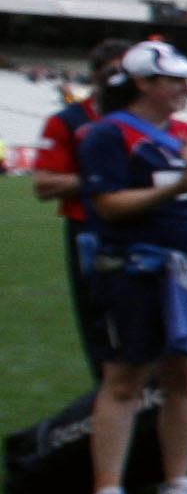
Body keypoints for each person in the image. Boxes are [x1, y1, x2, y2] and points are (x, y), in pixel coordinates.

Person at [75, 40, 187, 494]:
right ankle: (107, 493)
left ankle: (176, 483)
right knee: (125, 379)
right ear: (143, 83)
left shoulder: (184, 134)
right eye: (174, 81)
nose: (185, 90)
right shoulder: (108, 134)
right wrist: (183, 183)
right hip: (135, 269)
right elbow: (107, 206)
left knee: (185, 376)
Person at [31, 34, 132, 377]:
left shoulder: (148, 121)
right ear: (95, 76)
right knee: (101, 324)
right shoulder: (67, 121)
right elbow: (44, 185)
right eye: (112, 71)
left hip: (144, 225)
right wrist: (98, 178)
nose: (120, 78)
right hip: (89, 231)